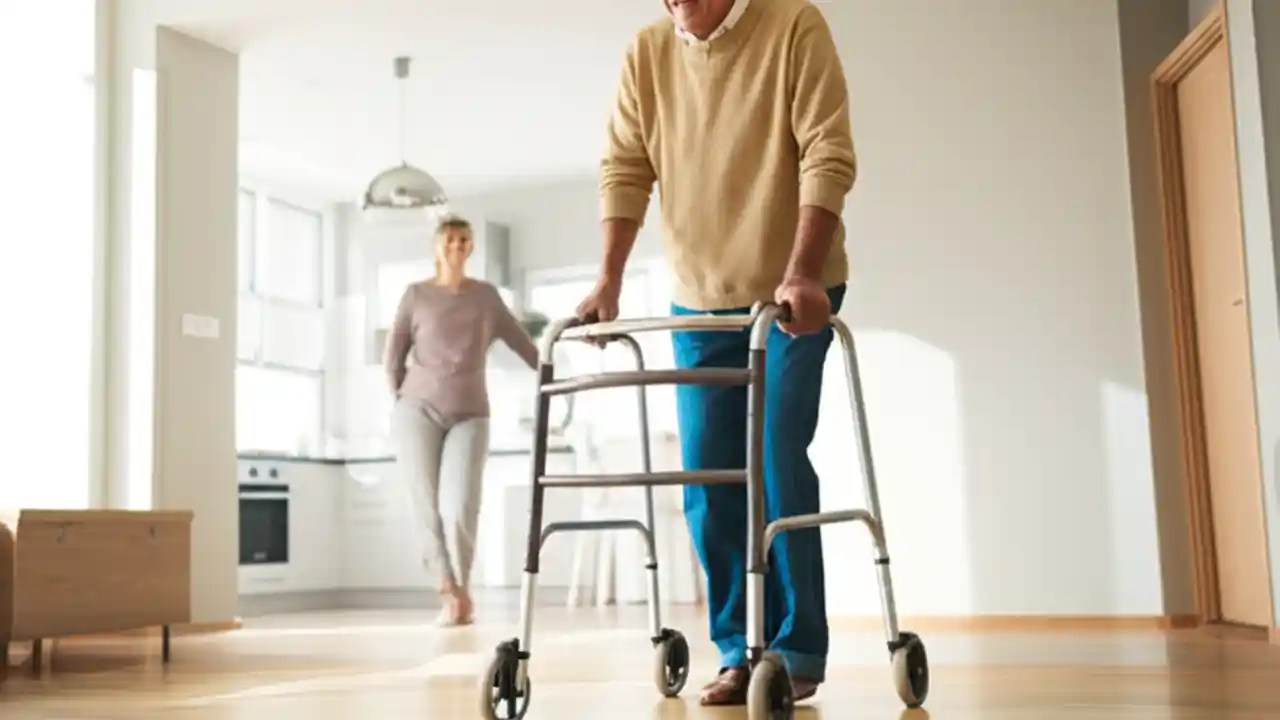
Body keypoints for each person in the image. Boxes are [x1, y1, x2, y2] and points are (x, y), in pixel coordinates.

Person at [575, 0, 856, 706]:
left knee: (776, 459)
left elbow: (827, 150)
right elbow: (625, 166)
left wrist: (803, 272)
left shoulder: (794, 25)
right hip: (698, 299)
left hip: (793, 292)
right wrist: (608, 278)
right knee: (707, 478)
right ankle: (740, 648)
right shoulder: (647, 52)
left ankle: (797, 647)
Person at [385, 214, 539, 627]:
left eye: (464, 240)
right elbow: (394, 352)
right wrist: (400, 396)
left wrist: (552, 370)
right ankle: (446, 588)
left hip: (471, 411)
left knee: (460, 506)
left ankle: (463, 583)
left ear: (472, 247)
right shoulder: (415, 295)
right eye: (450, 239)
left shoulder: (486, 297)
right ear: (437, 246)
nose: (457, 245)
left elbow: (522, 343)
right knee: (425, 504)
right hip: (417, 409)